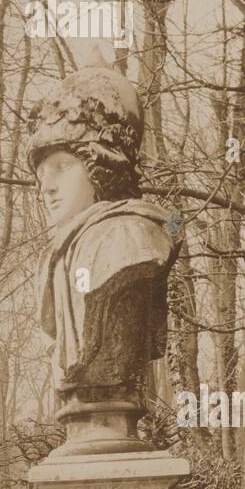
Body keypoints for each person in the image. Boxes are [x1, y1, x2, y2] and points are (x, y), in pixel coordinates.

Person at [27, 68, 180, 450]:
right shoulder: (61, 254)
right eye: (41, 173)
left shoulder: (128, 239)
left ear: (100, 167)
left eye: (62, 167)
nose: (46, 186)